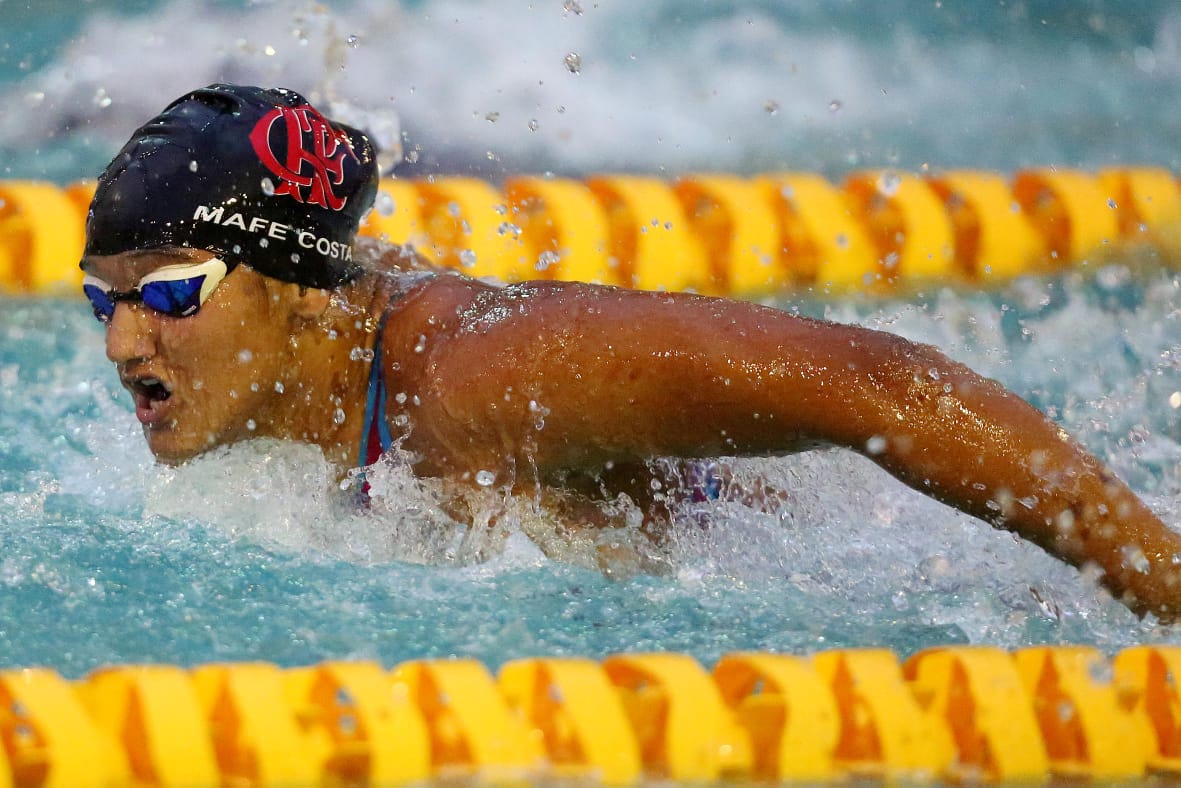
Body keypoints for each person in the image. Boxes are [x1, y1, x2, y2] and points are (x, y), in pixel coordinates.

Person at [79, 83, 1181, 619]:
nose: (127, 337)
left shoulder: (481, 372)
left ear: (302, 292)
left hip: (886, 575)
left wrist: (1164, 583)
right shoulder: (293, 396)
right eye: (105, 298)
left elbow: (877, 383)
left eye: (171, 289)